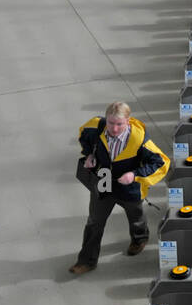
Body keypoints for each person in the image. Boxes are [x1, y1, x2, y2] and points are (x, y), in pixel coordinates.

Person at [69, 101, 170, 275]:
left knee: (135, 214)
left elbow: (160, 161)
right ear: (105, 120)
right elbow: (84, 136)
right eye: (110, 123)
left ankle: (140, 238)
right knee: (94, 222)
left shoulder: (139, 139)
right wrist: (90, 154)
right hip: (104, 183)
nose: (114, 129)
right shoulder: (95, 127)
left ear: (128, 121)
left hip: (129, 187)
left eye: (119, 124)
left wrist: (135, 174)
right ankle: (86, 261)